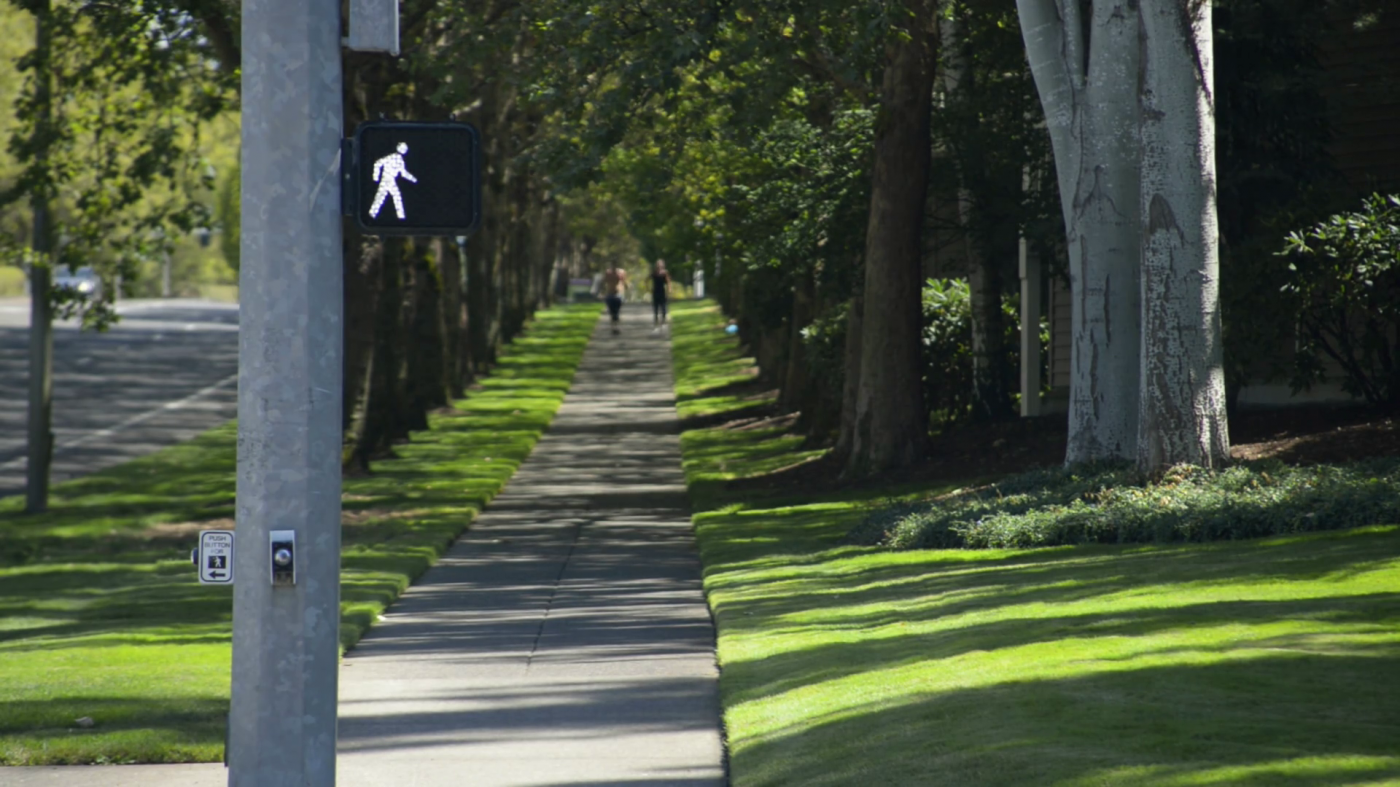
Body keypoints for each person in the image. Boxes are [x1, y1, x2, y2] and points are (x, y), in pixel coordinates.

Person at [602, 264, 627, 334]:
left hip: (618, 295)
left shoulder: (620, 274)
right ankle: (613, 327)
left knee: (617, 312)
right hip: (610, 294)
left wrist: (624, 287)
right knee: (612, 312)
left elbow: (623, 282)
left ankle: (616, 327)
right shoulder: (608, 274)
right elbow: (604, 282)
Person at [651, 259, 672, 328]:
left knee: (663, 306)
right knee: (656, 306)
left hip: (662, 291)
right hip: (655, 290)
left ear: (663, 265)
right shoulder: (654, 272)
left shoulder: (664, 273)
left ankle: (663, 319)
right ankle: (656, 319)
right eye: (658, 264)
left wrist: (669, 289)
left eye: (660, 264)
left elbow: (668, 281)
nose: (659, 266)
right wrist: (648, 288)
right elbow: (647, 279)